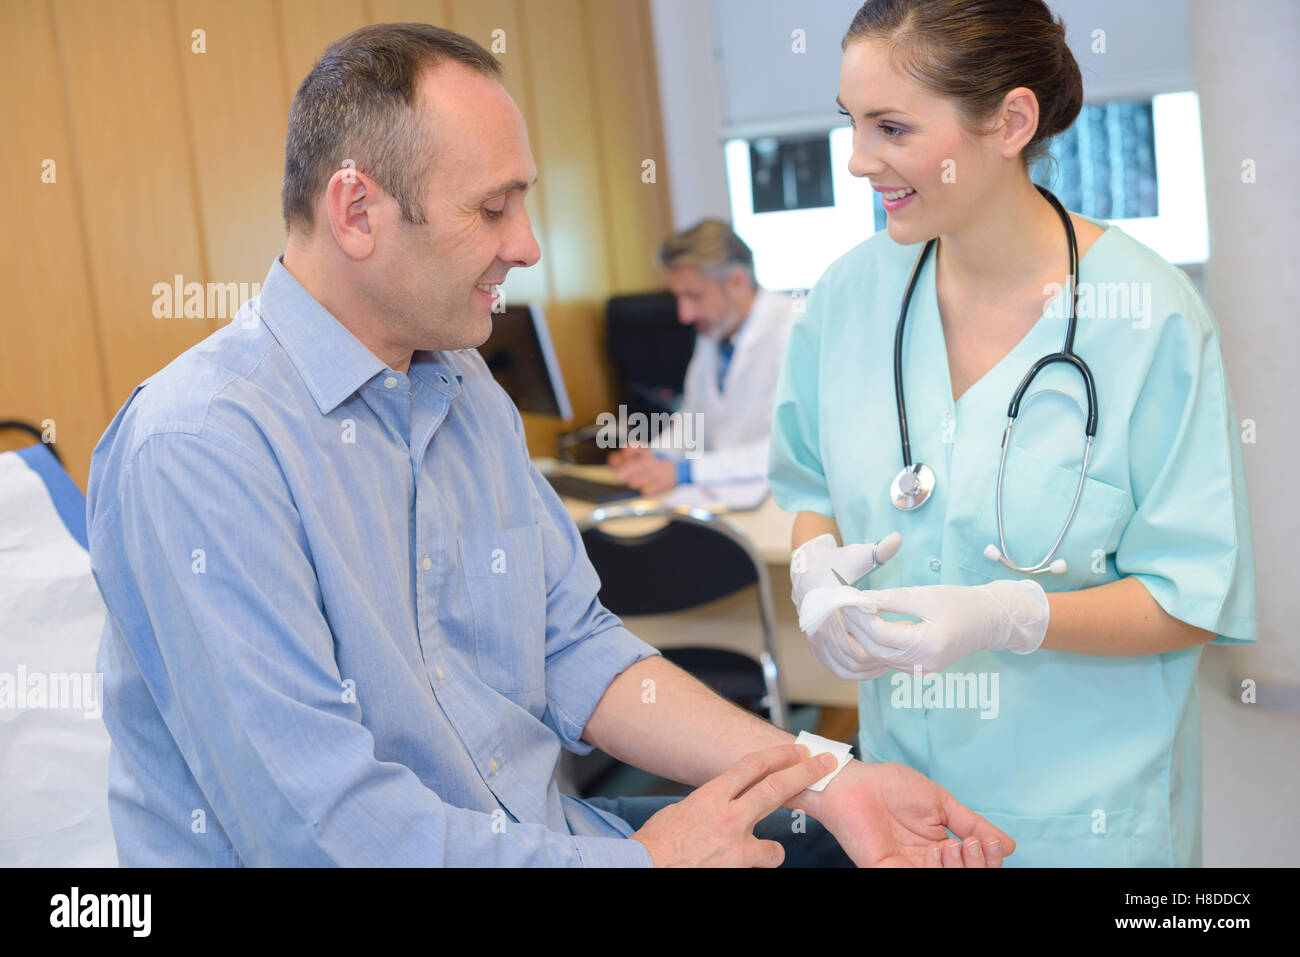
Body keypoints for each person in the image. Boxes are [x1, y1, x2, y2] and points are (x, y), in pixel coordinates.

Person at [86, 22, 1014, 867]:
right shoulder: (200, 447)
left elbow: (575, 649)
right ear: (357, 212)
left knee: (852, 848)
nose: (528, 245)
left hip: (543, 839)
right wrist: (647, 865)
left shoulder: (463, 387)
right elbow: (323, 832)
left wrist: (823, 776)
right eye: (492, 211)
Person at [769, 0, 1257, 867]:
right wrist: (814, 570)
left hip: (1090, 826)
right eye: (851, 123)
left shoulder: (1147, 320)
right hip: (904, 817)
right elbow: (809, 486)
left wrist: (1009, 614)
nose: (857, 161)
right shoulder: (844, 299)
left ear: (1011, 120)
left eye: (891, 127)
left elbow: (1189, 596)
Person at [607, 221, 795, 494]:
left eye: (694, 296)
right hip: (728, 497)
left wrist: (684, 472)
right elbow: (694, 420)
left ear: (737, 283)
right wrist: (653, 456)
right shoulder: (714, 332)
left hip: (779, 506)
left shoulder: (793, 331)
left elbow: (787, 451)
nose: (685, 315)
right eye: (679, 298)